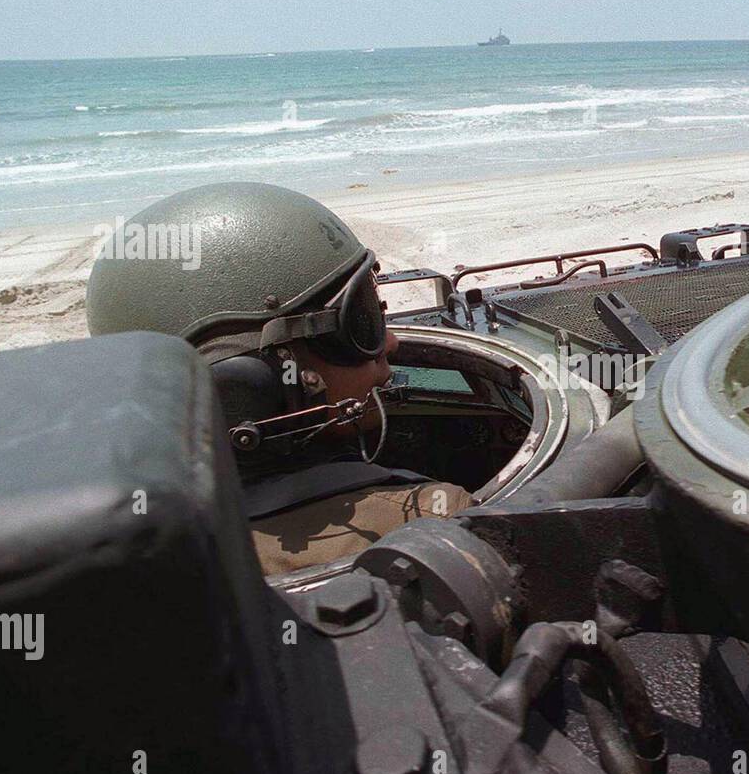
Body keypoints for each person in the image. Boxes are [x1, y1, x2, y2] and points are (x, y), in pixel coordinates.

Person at [86, 182, 474, 574]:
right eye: (361, 323)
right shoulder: (429, 523)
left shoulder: (119, 551)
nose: (389, 343)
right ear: (242, 385)